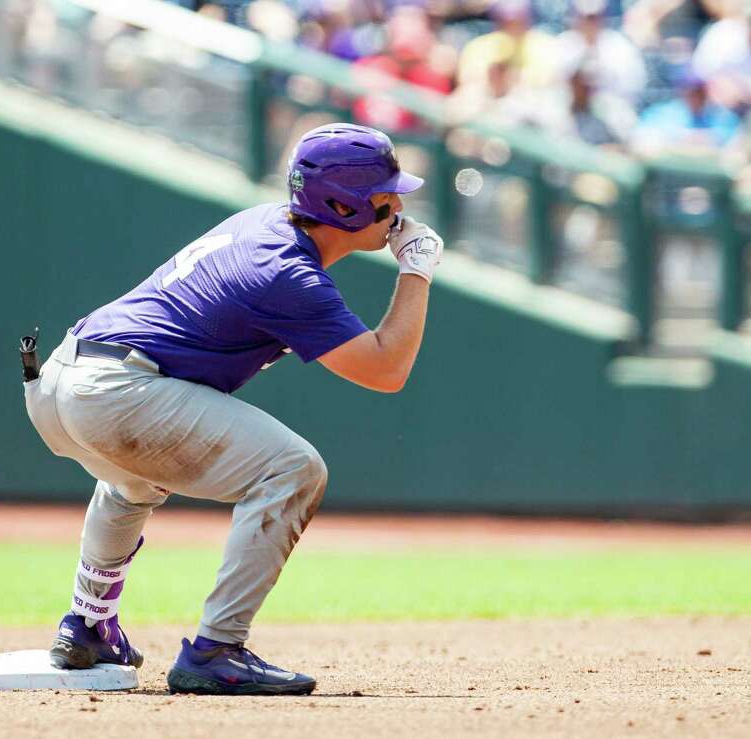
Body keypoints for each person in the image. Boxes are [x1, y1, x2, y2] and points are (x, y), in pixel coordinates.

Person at [23, 123, 443, 696]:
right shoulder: (287, 274)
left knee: (134, 482)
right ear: (344, 207)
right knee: (294, 469)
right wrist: (416, 270)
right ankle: (216, 650)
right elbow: (386, 370)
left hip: (60, 381)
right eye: (385, 196)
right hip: (115, 391)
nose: (398, 207)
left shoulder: (263, 225)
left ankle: (89, 623)